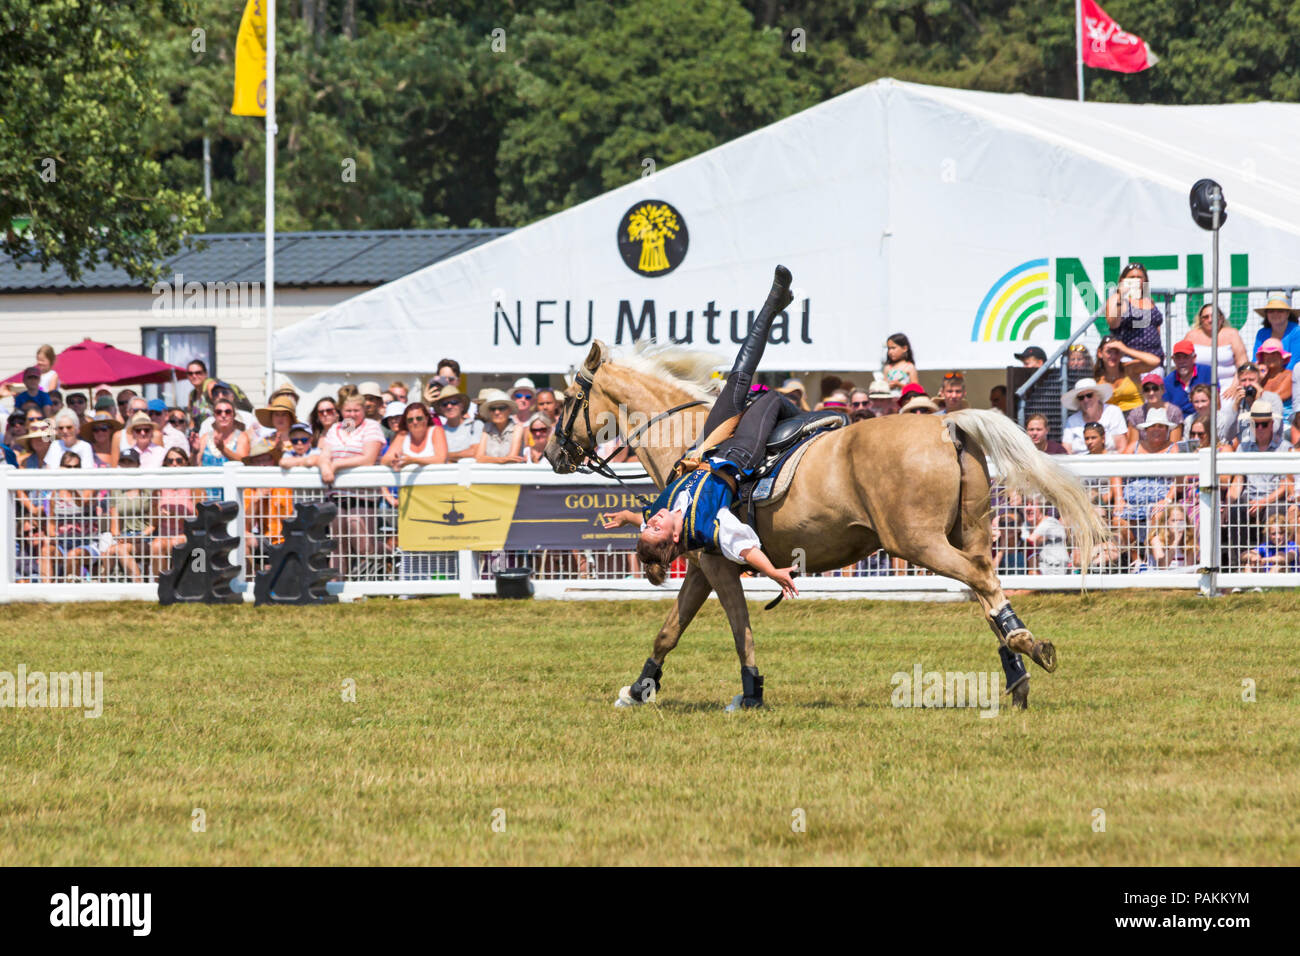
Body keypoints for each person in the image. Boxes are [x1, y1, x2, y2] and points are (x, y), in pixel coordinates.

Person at [602, 288, 802, 613]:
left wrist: (627, 518)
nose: (652, 520)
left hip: (708, 446)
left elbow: (644, 519)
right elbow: (746, 549)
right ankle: (815, 426)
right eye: (655, 528)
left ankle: (771, 305)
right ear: (674, 538)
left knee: (739, 376)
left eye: (649, 524)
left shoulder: (661, 512)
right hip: (737, 457)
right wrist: (773, 572)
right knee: (769, 399)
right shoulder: (708, 527)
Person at [1224, 401, 1294, 568]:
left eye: (1264, 424)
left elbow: (1286, 484)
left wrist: (1263, 502)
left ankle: (1265, 564)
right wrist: (1229, 502)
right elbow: (1238, 480)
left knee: (1273, 510)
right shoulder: (1244, 447)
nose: (1260, 428)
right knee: (1235, 507)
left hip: (1273, 499)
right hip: (1250, 498)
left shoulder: (1285, 448)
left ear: (1272, 425)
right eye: (1256, 424)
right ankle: (1239, 565)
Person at [1110, 410, 1178, 562]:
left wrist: (1167, 499)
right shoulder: (1134, 446)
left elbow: (1180, 478)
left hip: (1159, 501)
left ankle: (1152, 561)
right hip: (1131, 502)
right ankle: (1136, 560)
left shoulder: (1173, 448)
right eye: (1153, 426)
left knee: (1159, 516)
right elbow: (1115, 470)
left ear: (1167, 430)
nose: (1156, 429)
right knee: (1118, 520)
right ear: (1146, 429)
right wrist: (1119, 498)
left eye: (1161, 426)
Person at [37, 451, 99, 581]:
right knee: (46, 551)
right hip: (63, 543)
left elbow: (82, 503)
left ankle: (71, 592)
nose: (72, 470)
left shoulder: (88, 487)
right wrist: (52, 536)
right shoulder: (55, 493)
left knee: (73, 555)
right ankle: (47, 593)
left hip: (87, 543)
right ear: (62, 468)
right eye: (68, 467)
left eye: (76, 467)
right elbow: (52, 522)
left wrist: (71, 487)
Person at [102, 449, 154, 582]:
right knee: (109, 552)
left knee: (119, 550)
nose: (126, 465)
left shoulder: (148, 488)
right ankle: (102, 587)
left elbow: (153, 525)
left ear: (137, 464)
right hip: (125, 537)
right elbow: (114, 526)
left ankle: (139, 586)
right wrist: (120, 537)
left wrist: (137, 537)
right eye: (123, 462)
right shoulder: (116, 489)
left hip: (146, 538)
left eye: (130, 462)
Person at [1104, 261, 1165, 363]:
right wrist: (1120, 296)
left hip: (1154, 359)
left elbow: (1156, 328)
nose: (1136, 280)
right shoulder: (1118, 299)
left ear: (1145, 280)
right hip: (1130, 359)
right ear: (1123, 280)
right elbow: (1113, 323)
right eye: (1132, 277)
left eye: (1139, 277)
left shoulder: (1149, 300)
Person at [151, 449, 199, 575]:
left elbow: (200, 519)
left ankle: (180, 585)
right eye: (170, 461)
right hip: (164, 534)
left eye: (179, 460)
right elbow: (153, 521)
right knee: (157, 545)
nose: (174, 464)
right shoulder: (159, 488)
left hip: (187, 533)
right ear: (165, 464)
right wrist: (158, 514)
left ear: (186, 463)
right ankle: (159, 585)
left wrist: (179, 517)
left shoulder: (194, 486)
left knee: (175, 543)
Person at [1184, 303, 1247, 388]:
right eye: (1206, 317)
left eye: (1214, 316)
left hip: (1228, 384)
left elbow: (1242, 363)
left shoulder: (1232, 334)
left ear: (1221, 318)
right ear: (1200, 320)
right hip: (1198, 384)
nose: (1210, 320)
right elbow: (1183, 362)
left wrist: (1235, 385)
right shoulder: (1191, 336)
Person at [1094, 334, 1159, 413]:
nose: (1113, 356)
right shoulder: (1096, 376)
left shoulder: (1130, 369)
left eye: (1117, 352)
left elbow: (1155, 361)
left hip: (1136, 417)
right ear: (1100, 353)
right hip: (1111, 419)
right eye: (1109, 352)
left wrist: (1125, 349)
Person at [1219, 363, 1281, 445]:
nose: (1247, 384)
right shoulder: (1237, 402)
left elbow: (1275, 429)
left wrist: (1259, 401)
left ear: (1259, 379)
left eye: (1251, 380)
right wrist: (1235, 408)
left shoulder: (1273, 398)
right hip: (1245, 448)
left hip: (1269, 447)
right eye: (1243, 380)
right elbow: (1227, 435)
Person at [1061, 378, 1128, 453]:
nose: (1085, 400)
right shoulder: (1072, 421)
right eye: (1081, 397)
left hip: (1111, 461)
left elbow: (1122, 447)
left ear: (1098, 396)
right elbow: (1066, 451)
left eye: (1089, 395)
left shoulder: (1113, 412)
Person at [1125, 373, 1184, 447]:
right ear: (1143, 392)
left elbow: (1175, 445)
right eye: (1147, 389)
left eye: (1155, 388)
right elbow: (1133, 446)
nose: (1151, 393)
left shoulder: (1174, 412)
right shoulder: (1135, 414)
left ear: (1163, 390)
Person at [381, 402, 447, 467]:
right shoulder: (403, 435)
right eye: (410, 420)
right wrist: (395, 460)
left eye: (419, 418)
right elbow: (385, 460)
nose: (415, 422)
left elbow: (441, 459)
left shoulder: (436, 430)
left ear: (426, 418)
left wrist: (413, 460)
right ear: (406, 422)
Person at [471, 390, 526, 463]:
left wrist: (488, 459)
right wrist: (502, 460)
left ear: (509, 410)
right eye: (493, 409)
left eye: (501, 408)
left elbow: (512, 459)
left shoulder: (518, 428)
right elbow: (478, 458)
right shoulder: (486, 428)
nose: (497, 412)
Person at [432, 384, 483, 460]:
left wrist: (445, 455)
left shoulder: (475, 425)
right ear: (441, 409)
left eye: (454, 402)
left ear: (462, 406)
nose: (449, 406)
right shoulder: (438, 431)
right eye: (444, 404)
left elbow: (475, 452)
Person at [1163, 340, 1211, 415]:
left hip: (1205, 417)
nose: (1181, 361)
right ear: (1173, 359)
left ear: (1194, 357)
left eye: (1186, 357)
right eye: (1178, 358)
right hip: (1180, 422)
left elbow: (1216, 401)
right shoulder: (1168, 381)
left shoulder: (1207, 372)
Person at [1251, 297, 1300, 370]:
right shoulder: (1261, 334)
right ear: (1267, 314)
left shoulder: (1297, 332)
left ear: (1288, 314)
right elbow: (1256, 360)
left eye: (1280, 311)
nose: (1275, 314)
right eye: (1271, 311)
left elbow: (1294, 362)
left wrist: (1278, 379)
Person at [1147, 504, 1194, 571]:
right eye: (1173, 520)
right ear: (1166, 522)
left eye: (1181, 520)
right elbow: (1162, 567)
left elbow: (1188, 569)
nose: (1178, 524)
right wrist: (1175, 542)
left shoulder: (1188, 540)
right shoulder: (1157, 540)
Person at [1256, 338, 1293, 422]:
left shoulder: (1289, 375)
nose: (1270, 356)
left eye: (1274, 353)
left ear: (1282, 357)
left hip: (1285, 423)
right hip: (1261, 423)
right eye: (1266, 354)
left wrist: (1257, 388)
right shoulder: (1260, 377)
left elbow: (1274, 400)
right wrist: (1258, 380)